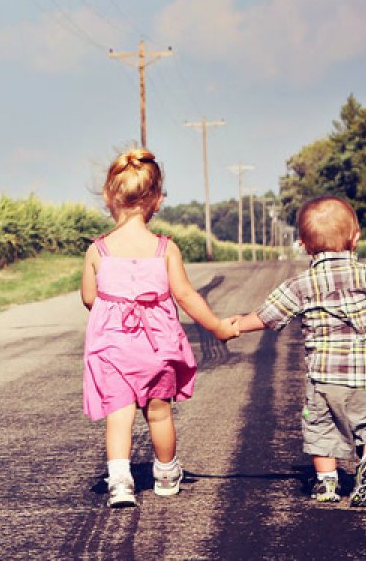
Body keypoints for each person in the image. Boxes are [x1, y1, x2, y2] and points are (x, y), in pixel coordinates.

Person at [222, 195, 366, 506]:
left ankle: (327, 484)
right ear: (356, 238)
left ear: (303, 244)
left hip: (326, 379)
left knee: (322, 428)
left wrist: (236, 325)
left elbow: (267, 316)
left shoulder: (301, 284)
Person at [82, 148, 238, 507]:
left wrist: (115, 308)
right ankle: (166, 473)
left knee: (118, 415)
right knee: (159, 411)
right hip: (156, 347)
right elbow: (186, 295)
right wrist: (217, 327)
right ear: (156, 200)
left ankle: (120, 481)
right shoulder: (165, 249)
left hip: (113, 348)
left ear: (109, 196)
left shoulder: (98, 250)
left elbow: (90, 298)